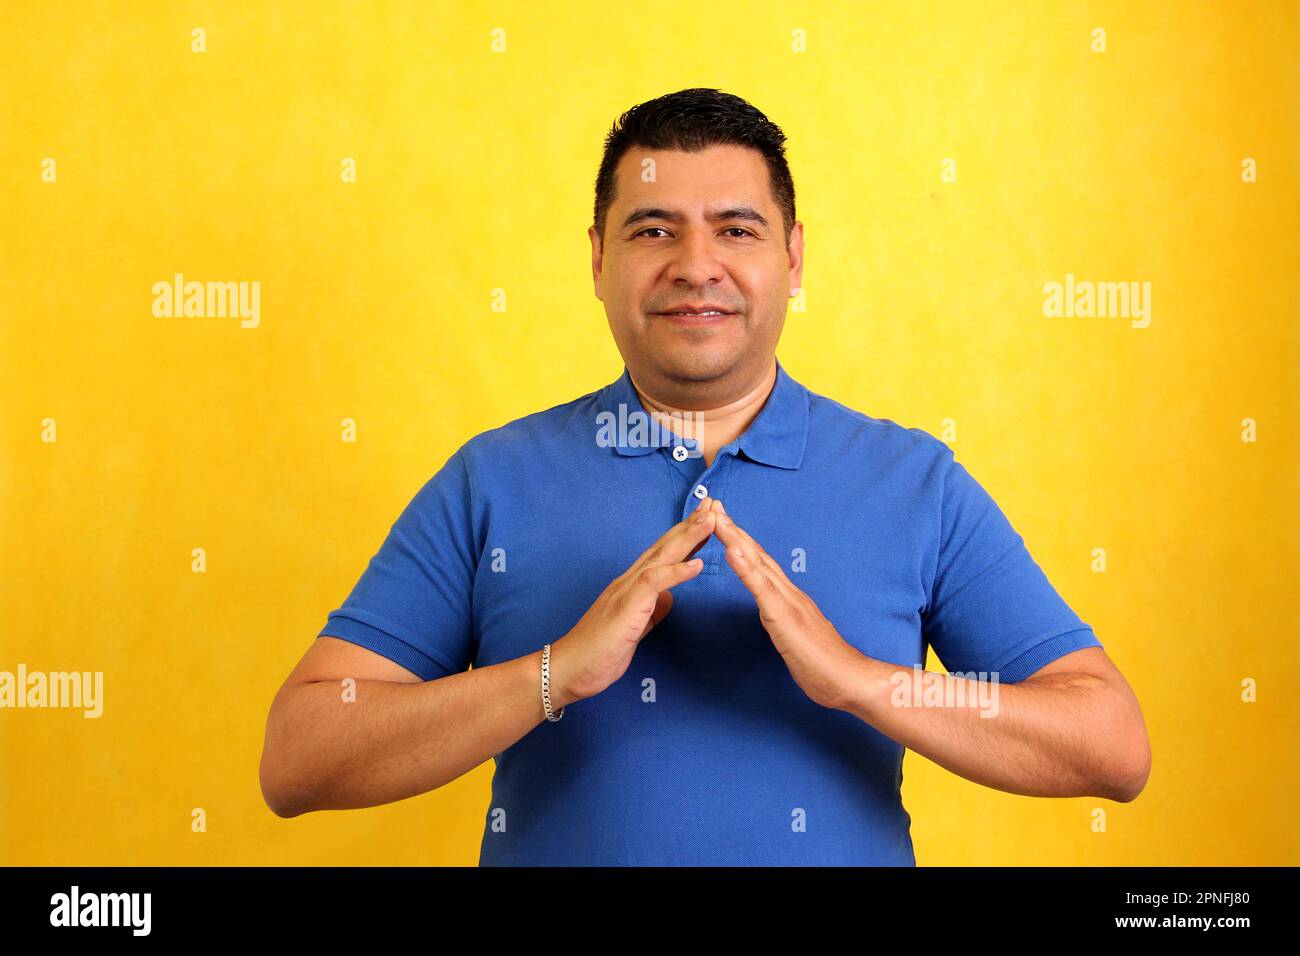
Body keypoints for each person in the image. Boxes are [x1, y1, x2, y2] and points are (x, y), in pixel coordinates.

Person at [259, 88, 1150, 865]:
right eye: (653, 229)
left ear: (793, 259)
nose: (695, 264)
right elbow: (299, 757)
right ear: (599, 258)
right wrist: (553, 673)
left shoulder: (916, 482)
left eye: (737, 228)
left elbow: (1110, 743)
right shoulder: (489, 480)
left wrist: (862, 682)